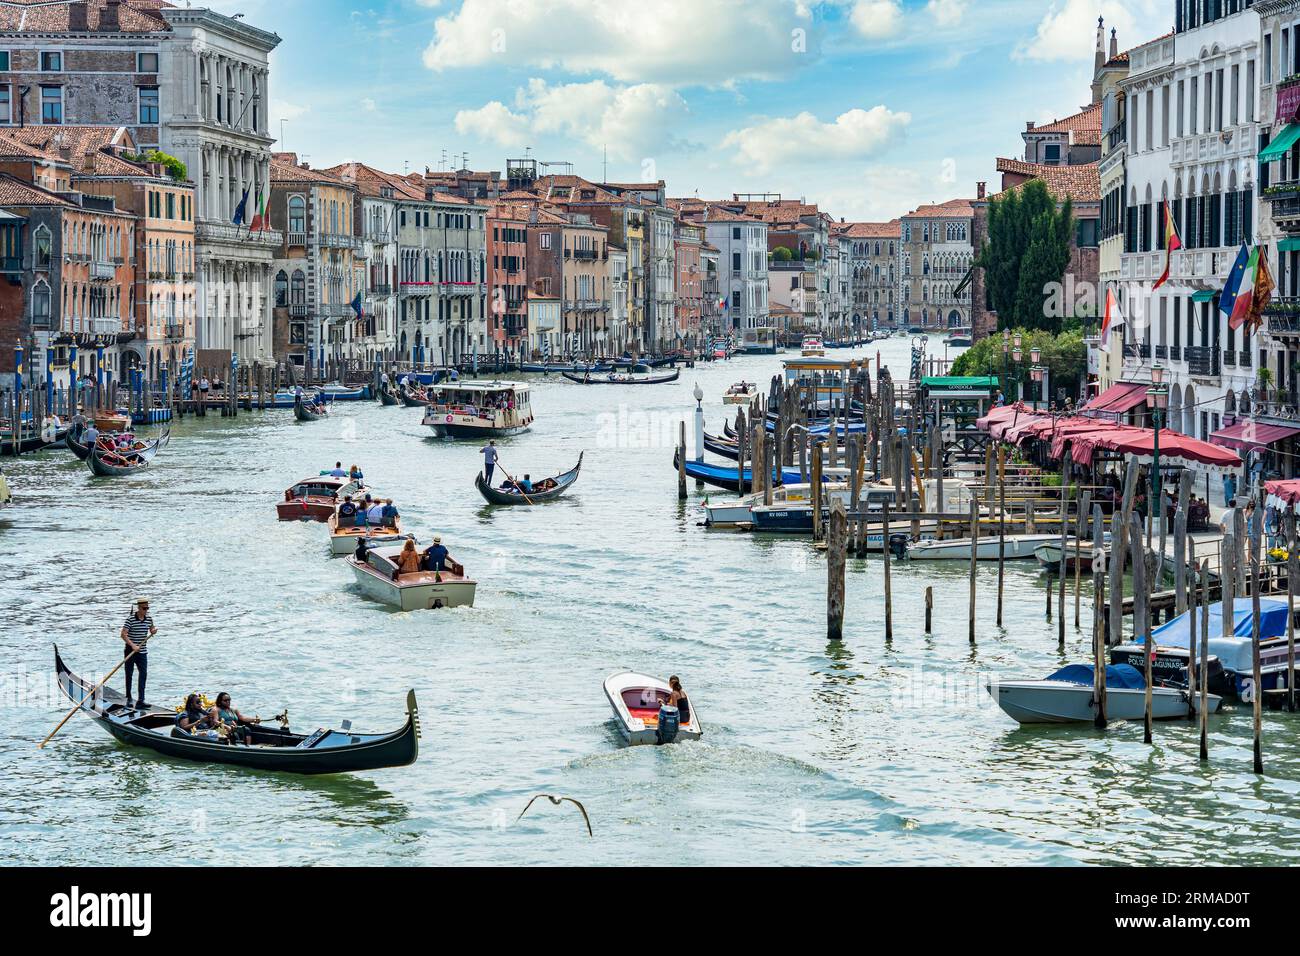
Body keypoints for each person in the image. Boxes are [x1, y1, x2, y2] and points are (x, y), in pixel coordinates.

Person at [121, 597, 156, 708]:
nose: (146, 610)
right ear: (139, 608)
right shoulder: (130, 619)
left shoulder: (149, 619)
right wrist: (133, 646)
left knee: (143, 674)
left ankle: (141, 700)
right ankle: (129, 698)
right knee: (129, 674)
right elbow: (123, 634)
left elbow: (151, 629)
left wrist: (153, 631)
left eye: (147, 608)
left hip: (142, 651)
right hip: (130, 651)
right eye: (144, 608)